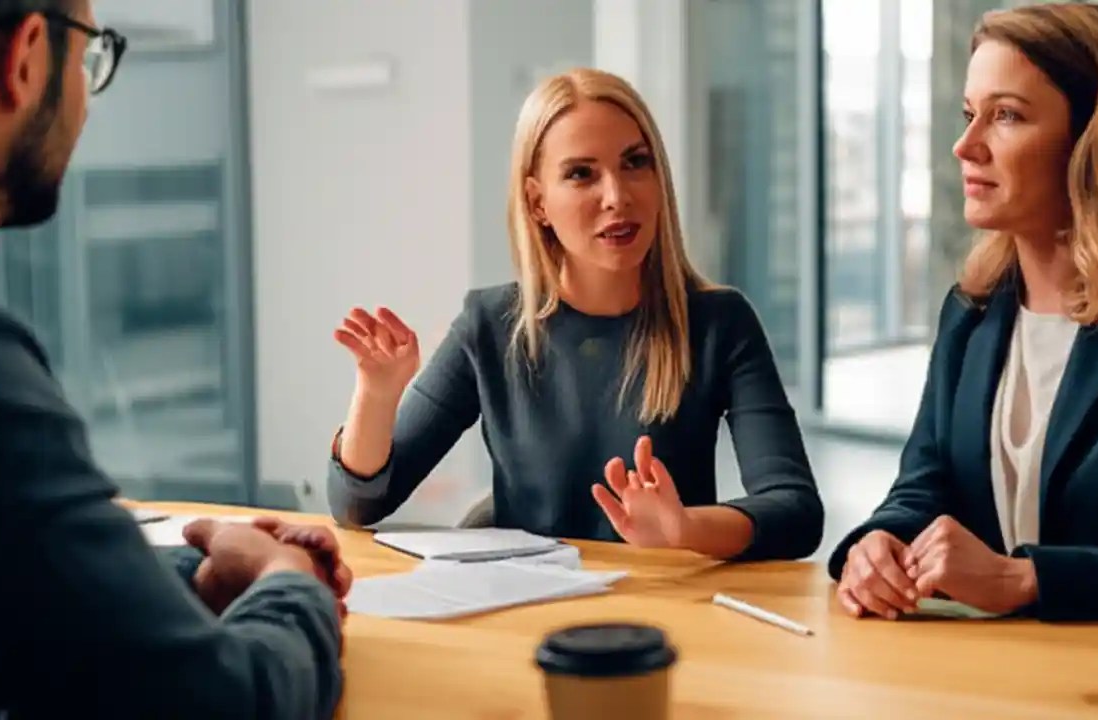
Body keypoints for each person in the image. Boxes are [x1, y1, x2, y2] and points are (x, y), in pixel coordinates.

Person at [0, 1, 351, 717]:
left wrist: (174, 581)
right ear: (24, 58)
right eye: (92, 55)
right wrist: (288, 583)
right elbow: (216, 705)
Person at [327, 68, 823, 562]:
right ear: (537, 202)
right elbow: (357, 504)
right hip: (523, 611)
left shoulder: (721, 323)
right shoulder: (489, 325)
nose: (617, 196)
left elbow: (796, 513)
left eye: (635, 163)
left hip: (664, 617)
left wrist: (685, 528)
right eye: (581, 174)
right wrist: (376, 395)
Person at [830, 2, 1098, 622]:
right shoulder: (971, 313)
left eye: (1006, 116)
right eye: (970, 114)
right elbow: (924, 485)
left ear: (1093, 138)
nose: (965, 145)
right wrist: (877, 544)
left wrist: (1028, 578)